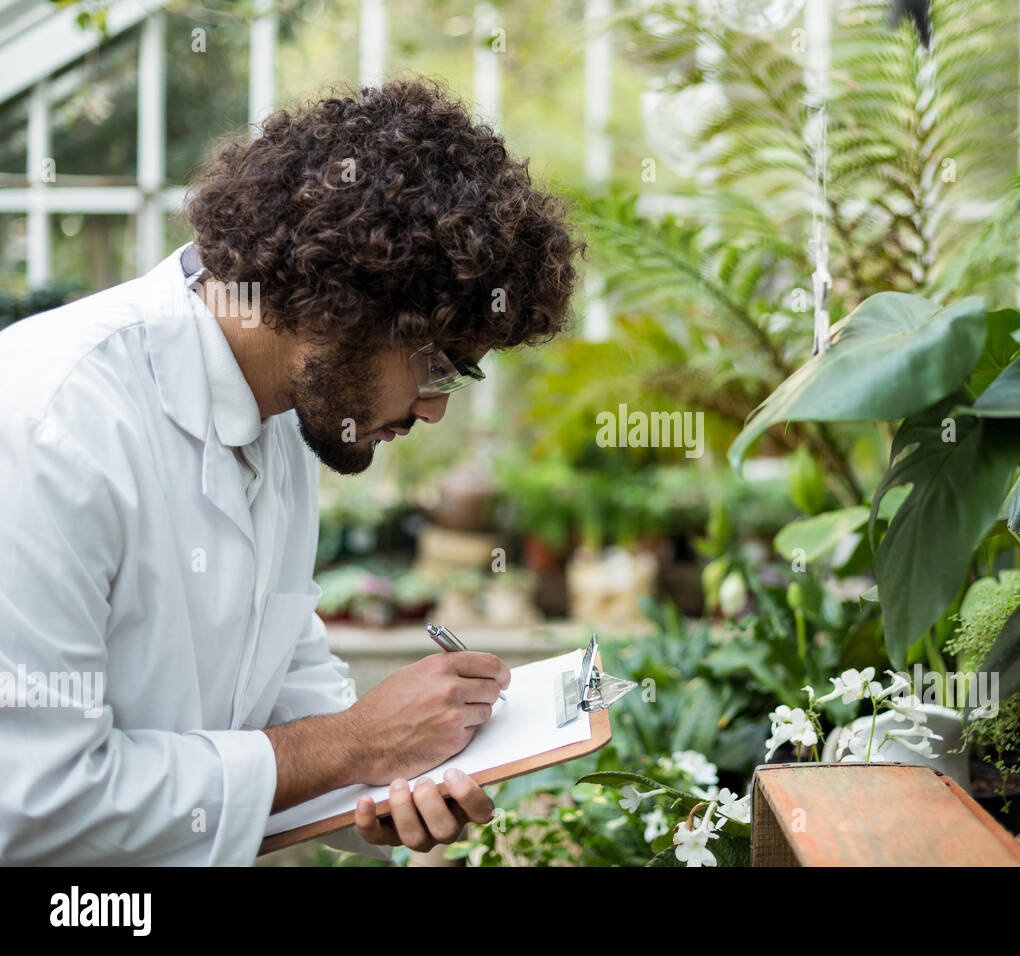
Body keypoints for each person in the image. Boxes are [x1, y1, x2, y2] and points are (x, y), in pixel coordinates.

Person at [0, 77, 583, 864]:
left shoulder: (280, 417)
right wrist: (353, 746)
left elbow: (286, 689)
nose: (436, 408)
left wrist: (392, 782)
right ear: (339, 303)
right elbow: (37, 800)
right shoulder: (50, 422)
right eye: (439, 366)